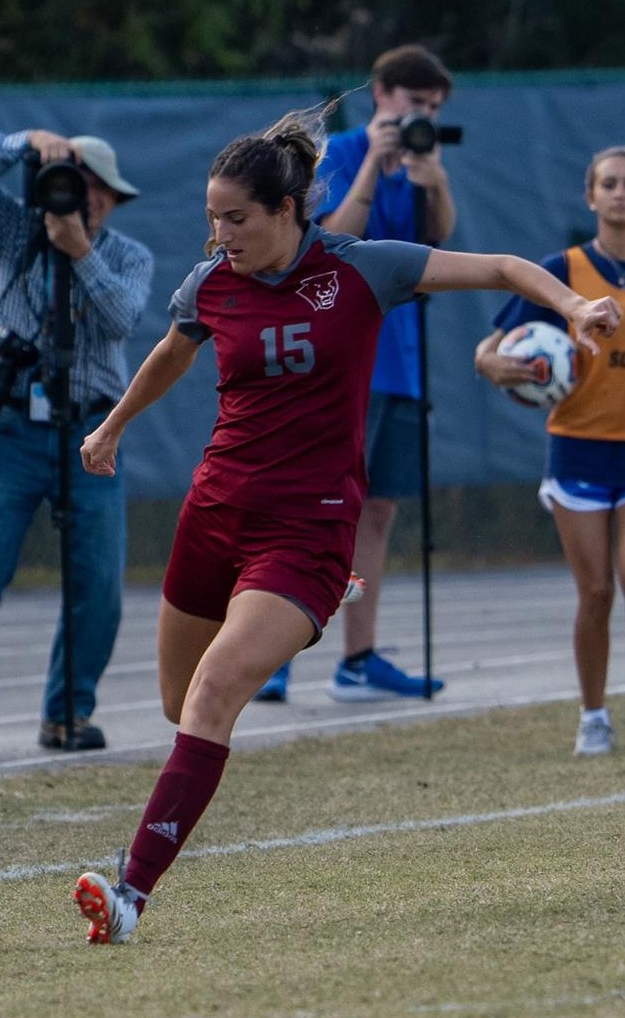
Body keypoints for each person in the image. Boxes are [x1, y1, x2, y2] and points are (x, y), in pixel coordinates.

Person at [68, 102, 621, 944]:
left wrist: (576, 308)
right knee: (186, 705)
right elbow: (174, 351)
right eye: (212, 216)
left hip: (307, 531)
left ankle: (130, 893)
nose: (220, 234)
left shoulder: (364, 270)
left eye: (238, 218)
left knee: (214, 693)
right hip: (213, 512)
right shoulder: (210, 281)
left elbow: (507, 267)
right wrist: (113, 426)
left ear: (287, 211)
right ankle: (166, 829)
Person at [0, 128, 153, 755]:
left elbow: (122, 319)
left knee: (98, 588)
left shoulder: (129, 256)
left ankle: (67, 716)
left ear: (116, 200)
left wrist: (81, 253)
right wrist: (23, 144)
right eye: (76, 184)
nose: (87, 198)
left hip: (94, 429)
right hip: (13, 426)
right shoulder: (18, 234)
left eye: (100, 189)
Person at [474, 146, 625, 756]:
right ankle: (593, 715)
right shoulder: (564, 269)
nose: (620, 194)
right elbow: (486, 353)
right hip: (578, 449)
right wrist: (507, 370)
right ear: (591, 196)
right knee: (596, 592)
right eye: (608, 184)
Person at [256, 44, 459, 704]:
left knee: (377, 510)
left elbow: (439, 246)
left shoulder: (424, 166)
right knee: (315, 502)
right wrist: (376, 157)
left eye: (431, 106)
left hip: (400, 362)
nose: (419, 114)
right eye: (411, 101)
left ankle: (359, 657)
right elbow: (333, 240)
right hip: (343, 360)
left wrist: (435, 180)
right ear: (381, 93)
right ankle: (272, 651)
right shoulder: (338, 154)